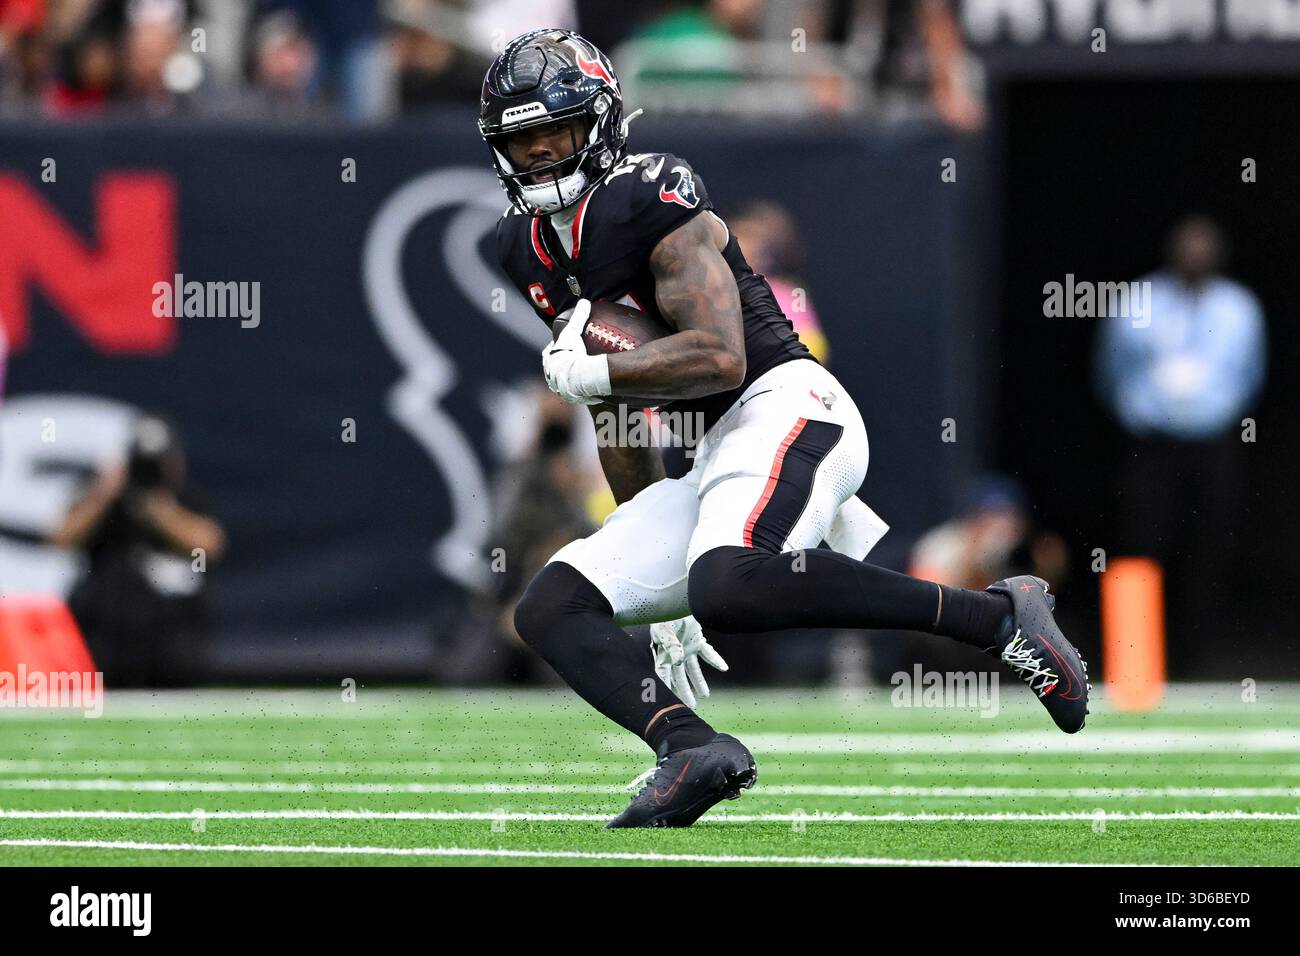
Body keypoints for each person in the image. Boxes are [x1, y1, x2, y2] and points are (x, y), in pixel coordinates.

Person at [482, 29, 1089, 828]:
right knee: (552, 604)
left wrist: (595, 372)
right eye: (523, 142)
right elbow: (619, 412)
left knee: (727, 584)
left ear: (599, 125)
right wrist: (656, 596)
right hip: (710, 455)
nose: (542, 156)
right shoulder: (519, 248)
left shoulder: (650, 194)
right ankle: (687, 747)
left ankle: (1003, 618)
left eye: (556, 133)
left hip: (787, 403)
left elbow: (722, 358)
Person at [1095, 216, 1266, 659]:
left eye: (1203, 248)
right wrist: (1139, 412)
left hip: (1213, 444)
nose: (1195, 256)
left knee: (1208, 543)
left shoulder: (1239, 308)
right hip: (1152, 444)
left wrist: (1214, 411)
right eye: (1187, 247)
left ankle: (1196, 653)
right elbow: (1110, 369)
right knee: (1142, 539)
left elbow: (1250, 376)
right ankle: (1135, 651)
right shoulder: (1139, 299)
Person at [49, 415, 225, 686]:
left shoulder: (186, 499)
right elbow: (60, 539)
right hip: (109, 636)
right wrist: (103, 493)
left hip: (171, 640)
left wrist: (159, 512)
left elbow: (210, 545)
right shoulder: (106, 503)